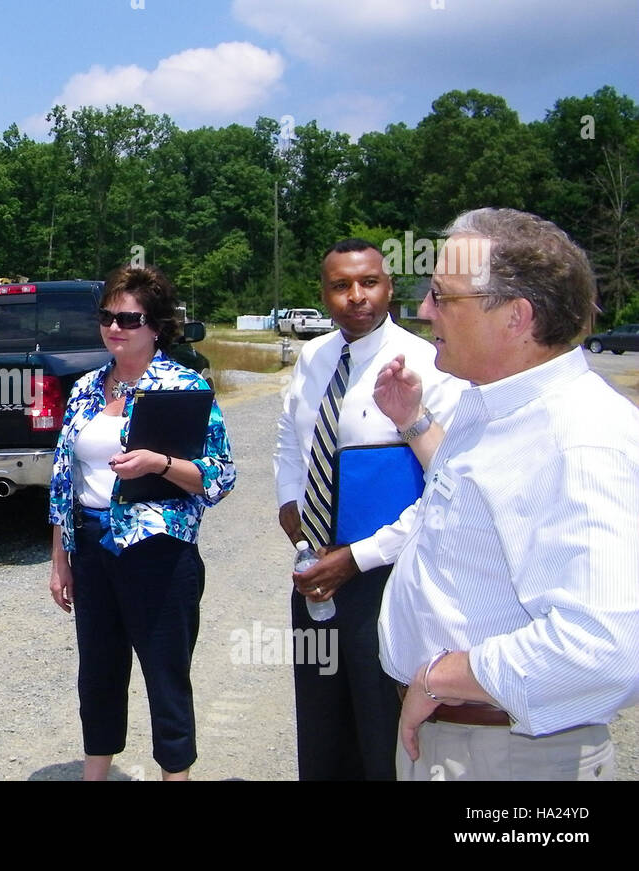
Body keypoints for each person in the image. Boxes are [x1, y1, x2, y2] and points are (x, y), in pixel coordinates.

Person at [376, 208, 639, 780]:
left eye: (442, 297)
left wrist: (438, 678)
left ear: (516, 316)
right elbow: (475, 502)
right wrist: (414, 421)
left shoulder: (581, 439)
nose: (423, 312)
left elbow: (605, 646)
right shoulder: (499, 408)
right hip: (467, 740)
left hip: (511, 755)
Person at [274, 239, 466, 780]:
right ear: (324, 294)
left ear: (388, 286)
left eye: (369, 282)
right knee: (321, 722)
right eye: (341, 286)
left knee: (381, 728)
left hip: (389, 578)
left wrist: (359, 557)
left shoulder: (428, 364)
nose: (356, 296)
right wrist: (289, 501)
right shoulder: (313, 358)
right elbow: (291, 437)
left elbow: (444, 490)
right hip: (316, 574)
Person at [48, 265, 235, 781]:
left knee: (165, 677)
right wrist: (60, 559)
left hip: (158, 554)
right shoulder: (85, 387)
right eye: (107, 316)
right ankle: (95, 774)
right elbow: (64, 480)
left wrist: (160, 464)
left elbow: (220, 476)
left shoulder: (185, 387)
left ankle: (176, 774)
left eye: (128, 319)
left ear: (155, 325)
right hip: (91, 548)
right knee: (99, 675)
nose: (115, 327)